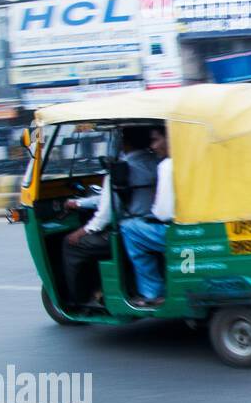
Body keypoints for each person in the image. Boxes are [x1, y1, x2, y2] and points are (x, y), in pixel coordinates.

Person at [62, 125, 158, 307]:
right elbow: (113, 197)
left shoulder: (121, 170)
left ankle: (78, 300)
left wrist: (82, 232)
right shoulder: (157, 163)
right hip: (154, 223)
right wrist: (80, 203)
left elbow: (105, 214)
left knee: (71, 244)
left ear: (124, 142)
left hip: (129, 231)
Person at [121, 126, 174, 308]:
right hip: (199, 227)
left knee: (129, 229)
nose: (153, 146)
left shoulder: (167, 165)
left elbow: (163, 212)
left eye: (156, 139)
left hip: (180, 234)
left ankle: (153, 293)